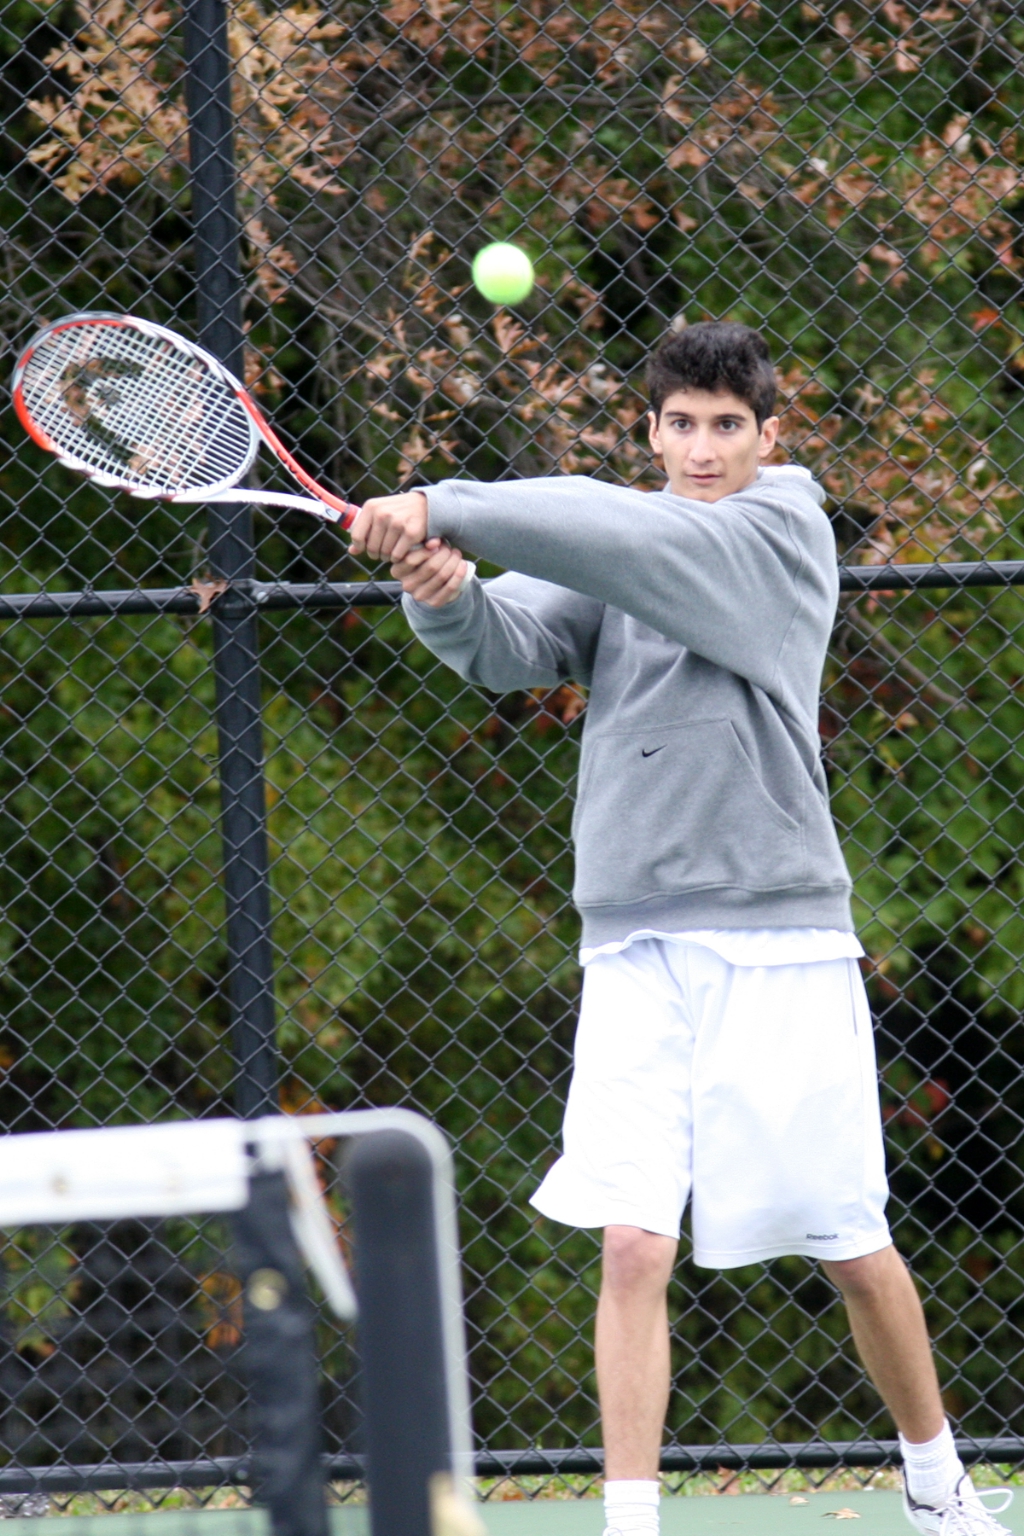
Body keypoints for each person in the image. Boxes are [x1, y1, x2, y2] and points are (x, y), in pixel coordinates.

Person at [348, 322, 1012, 1536]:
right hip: (633, 940)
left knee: (850, 1245)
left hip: (779, 940)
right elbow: (512, 649)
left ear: (768, 436)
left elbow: (613, 533)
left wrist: (443, 501)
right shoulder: (625, 538)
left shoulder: (779, 533)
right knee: (632, 1244)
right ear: (650, 432)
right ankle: (630, 1520)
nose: (701, 448)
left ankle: (936, 1480)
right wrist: (441, 594)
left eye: (725, 425)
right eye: (678, 425)